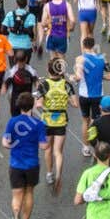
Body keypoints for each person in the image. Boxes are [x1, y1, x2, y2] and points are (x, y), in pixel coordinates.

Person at [2, 92, 48, 219]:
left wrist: (11, 146)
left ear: (19, 106)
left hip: (16, 164)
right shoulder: (39, 124)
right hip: (32, 165)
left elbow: (5, 142)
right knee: (29, 192)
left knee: (16, 195)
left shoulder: (12, 122)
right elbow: (43, 146)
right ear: (32, 105)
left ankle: (15, 214)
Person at [38, 56, 72, 191]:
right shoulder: (66, 85)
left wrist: (49, 109)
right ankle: (59, 174)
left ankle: (49, 173)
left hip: (47, 120)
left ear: (48, 70)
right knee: (58, 152)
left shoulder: (43, 84)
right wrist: (64, 100)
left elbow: (38, 103)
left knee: (48, 149)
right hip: (61, 121)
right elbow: (75, 103)